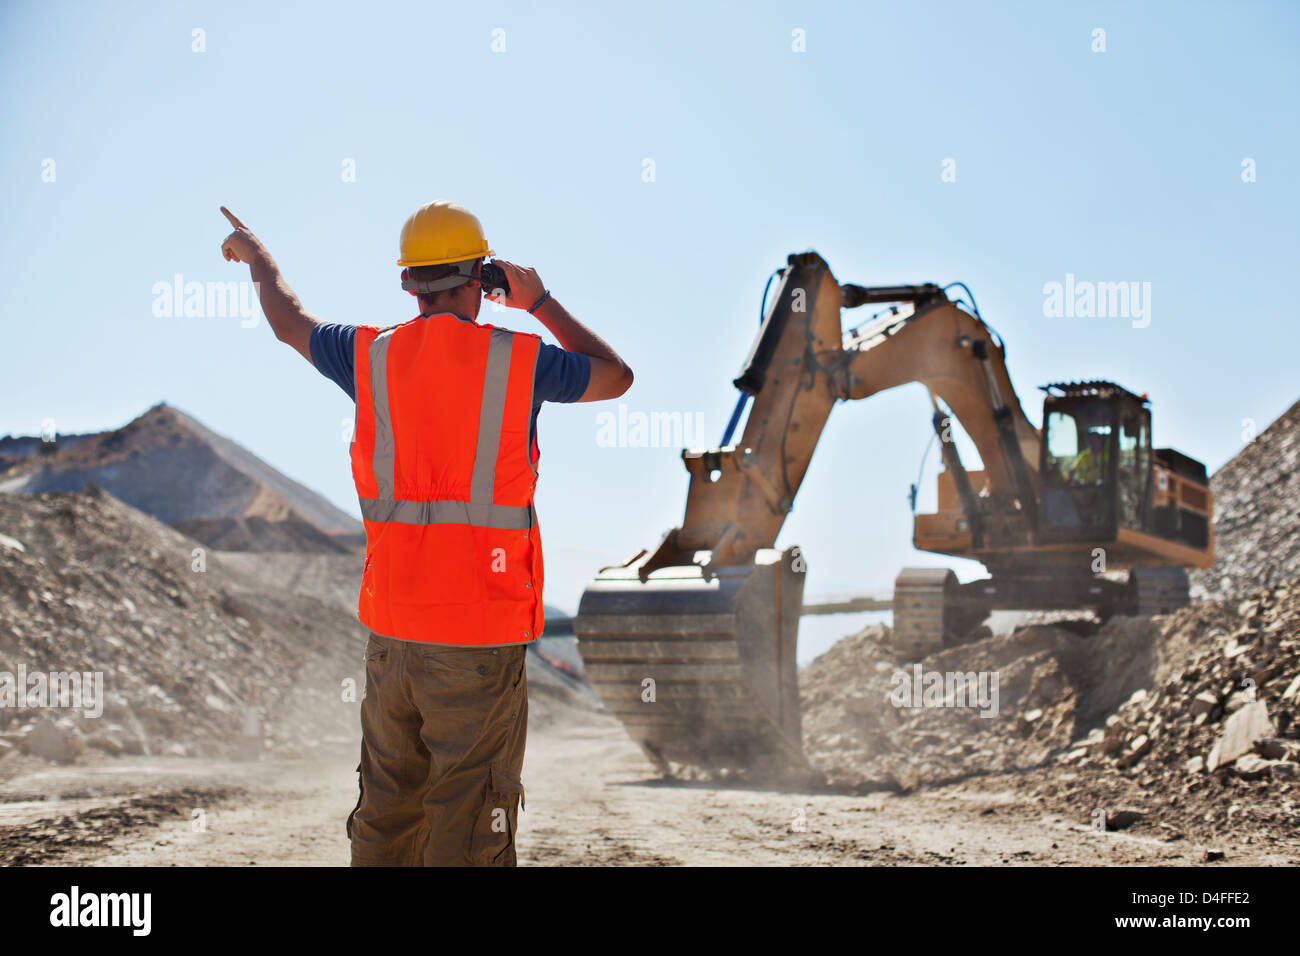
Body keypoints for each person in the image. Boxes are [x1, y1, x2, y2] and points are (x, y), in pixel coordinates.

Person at [219, 200, 633, 866]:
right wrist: (541, 301)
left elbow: (287, 322)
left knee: (388, 813)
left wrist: (258, 257)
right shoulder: (519, 358)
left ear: (408, 282)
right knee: (470, 821)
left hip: (393, 635)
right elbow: (616, 377)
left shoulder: (368, 355)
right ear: (482, 276)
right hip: (478, 637)